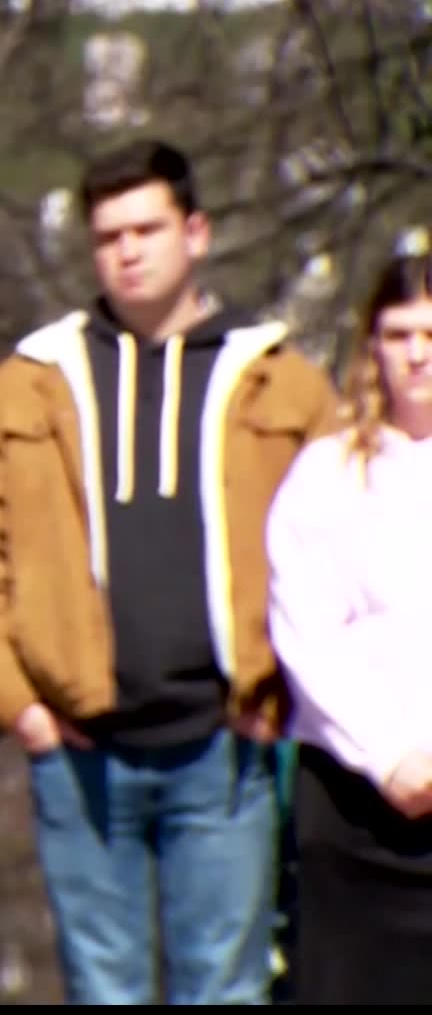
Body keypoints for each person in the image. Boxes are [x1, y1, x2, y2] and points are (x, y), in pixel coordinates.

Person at [0, 139, 339, 1004]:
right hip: (79, 751)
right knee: (103, 990)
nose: (128, 249)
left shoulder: (285, 383)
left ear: (195, 233)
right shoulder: (26, 385)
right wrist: (23, 709)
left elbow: (339, 554)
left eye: (148, 228)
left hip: (229, 747)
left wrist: (282, 700)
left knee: (226, 992)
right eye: (108, 234)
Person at [265, 253, 432, 1004]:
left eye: (431, 332)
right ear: (372, 345)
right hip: (355, 810)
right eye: (399, 334)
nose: (417, 353)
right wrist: (389, 754)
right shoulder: (327, 475)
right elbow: (306, 631)